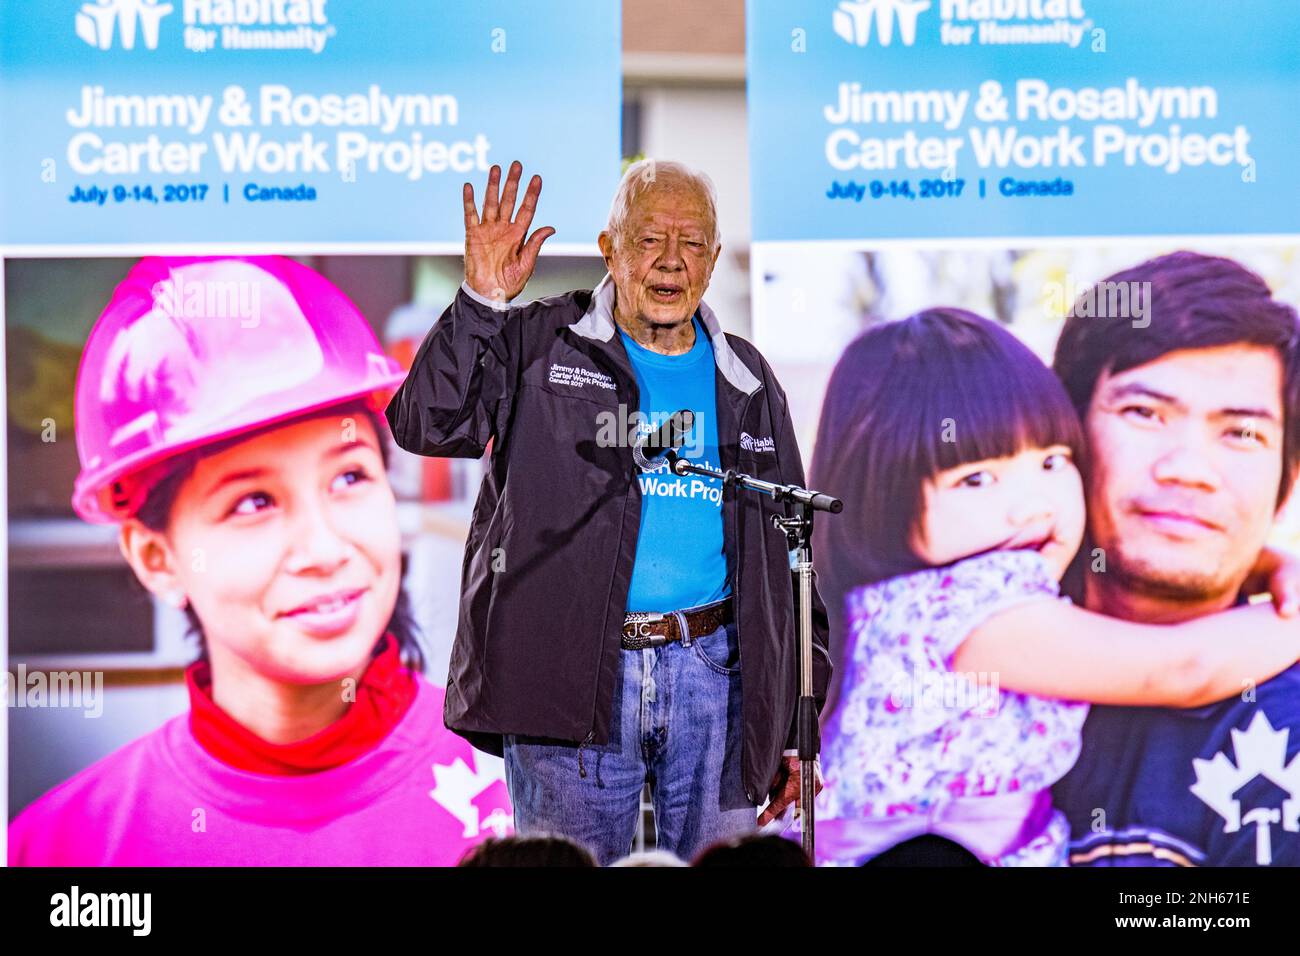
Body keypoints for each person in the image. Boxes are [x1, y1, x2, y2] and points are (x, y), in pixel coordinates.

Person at [386, 159, 831, 865]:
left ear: (714, 261)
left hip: (716, 677)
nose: (670, 261)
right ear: (609, 248)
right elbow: (427, 426)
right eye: (650, 238)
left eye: (691, 244)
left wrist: (793, 727)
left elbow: (790, 562)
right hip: (570, 674)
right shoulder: (540, 344)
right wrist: (479, 302)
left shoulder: (745, 378)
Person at [8, 256, 512, 865]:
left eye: (349, 476)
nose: (325, 550)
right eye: (253, 501)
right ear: (156, 556)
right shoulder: (63, 850)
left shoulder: (525, 796)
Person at [808, 307, 1300, 867]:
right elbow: (1183, 668)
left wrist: (1263, 564)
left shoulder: (921, 594)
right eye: (975, 479)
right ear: (884, 497)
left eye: (1052, 460)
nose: (1034, 504)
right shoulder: (968, 609)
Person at [1051, 252, 1300, 866]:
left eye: (1242, 432)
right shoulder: (942, 647)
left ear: (1285, 480)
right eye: (1144, 412)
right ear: (1065, 436)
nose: (1187, 470)